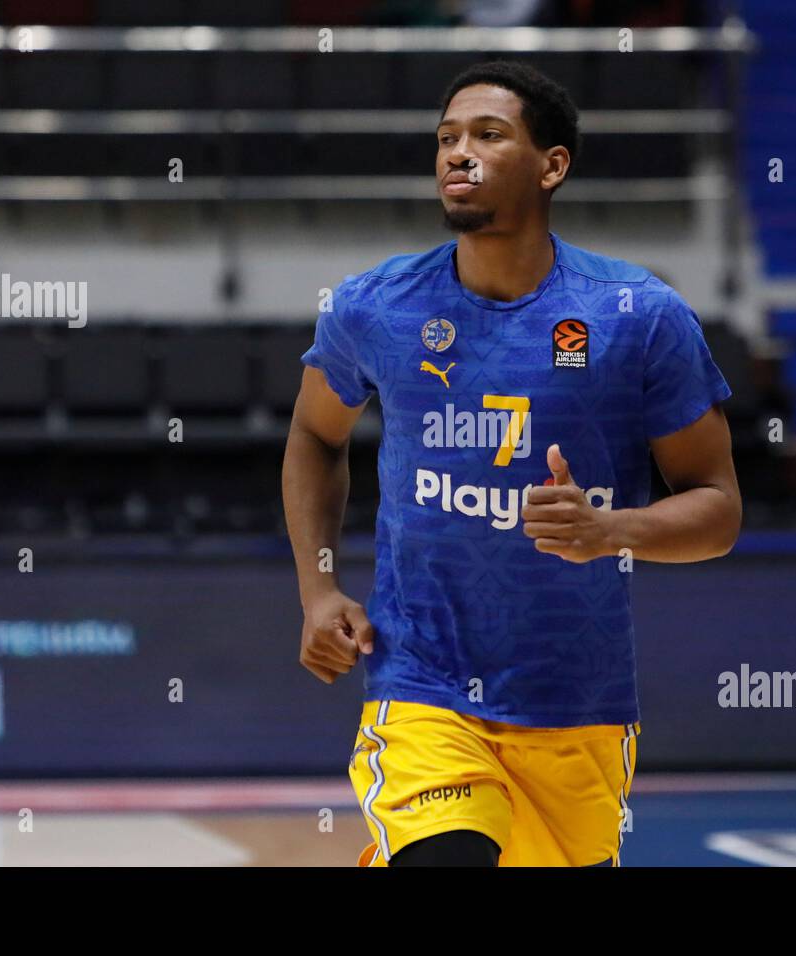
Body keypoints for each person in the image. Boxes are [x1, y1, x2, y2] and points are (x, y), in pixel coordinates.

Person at [281, 61, 740, 867]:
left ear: (552, 165)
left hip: (577, 704)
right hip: (423, 681)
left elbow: (718, 508)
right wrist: (318, 589)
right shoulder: (374, 305)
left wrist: (611, 530)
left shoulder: (639, 315)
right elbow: (316, 437)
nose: (459, 153)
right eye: (447, 138)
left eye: (488, 136)